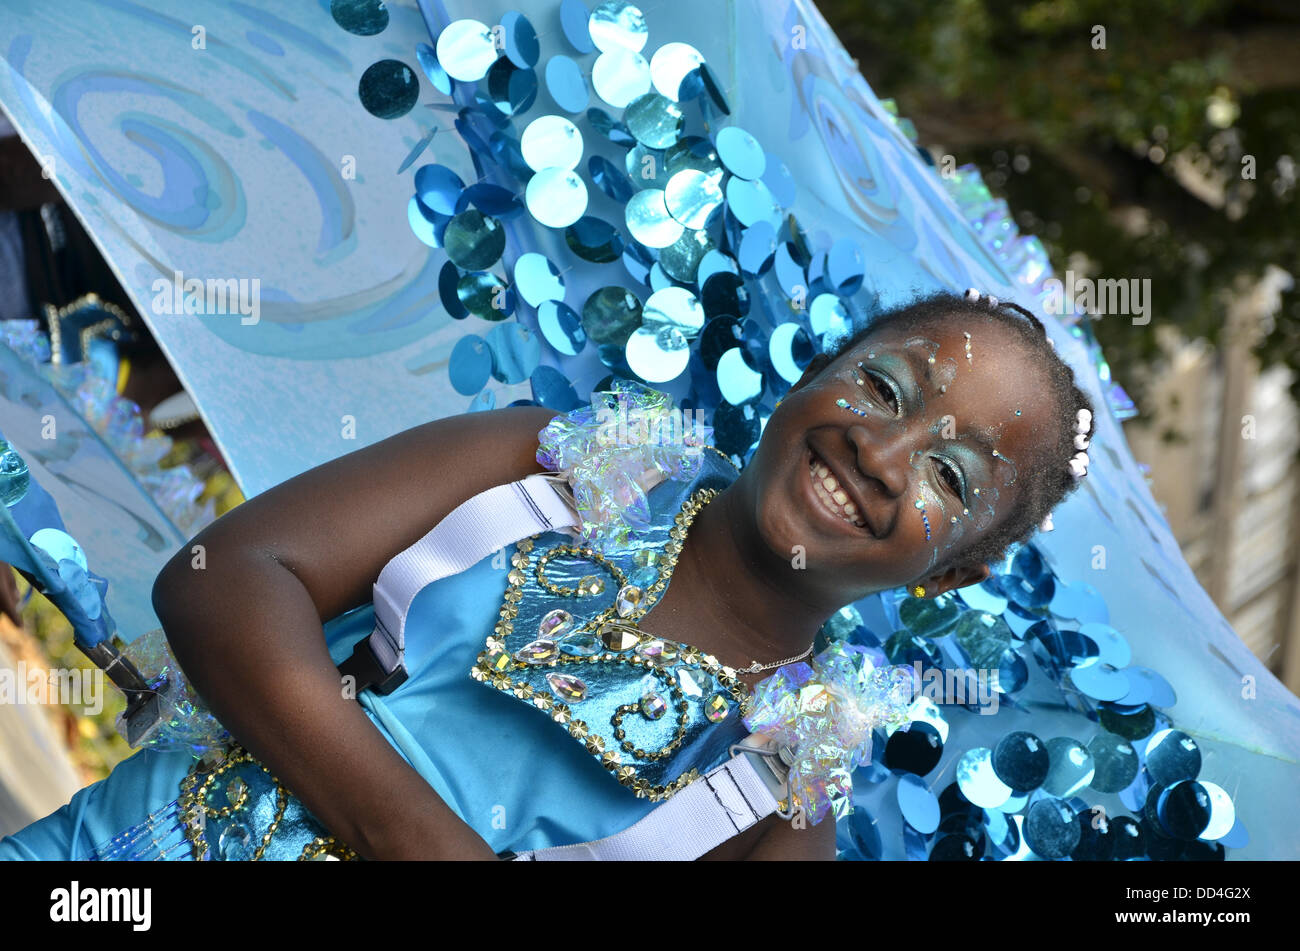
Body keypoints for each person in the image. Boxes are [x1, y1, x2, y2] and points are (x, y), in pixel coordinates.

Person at [0, 289, 1093, 861]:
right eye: (883, 388)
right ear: (814, 372)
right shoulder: (549, 467)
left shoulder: (783, 794)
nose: (880, 451)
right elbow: (223, 575)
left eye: (949, 473)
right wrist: (412, 838)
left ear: (957, 572)